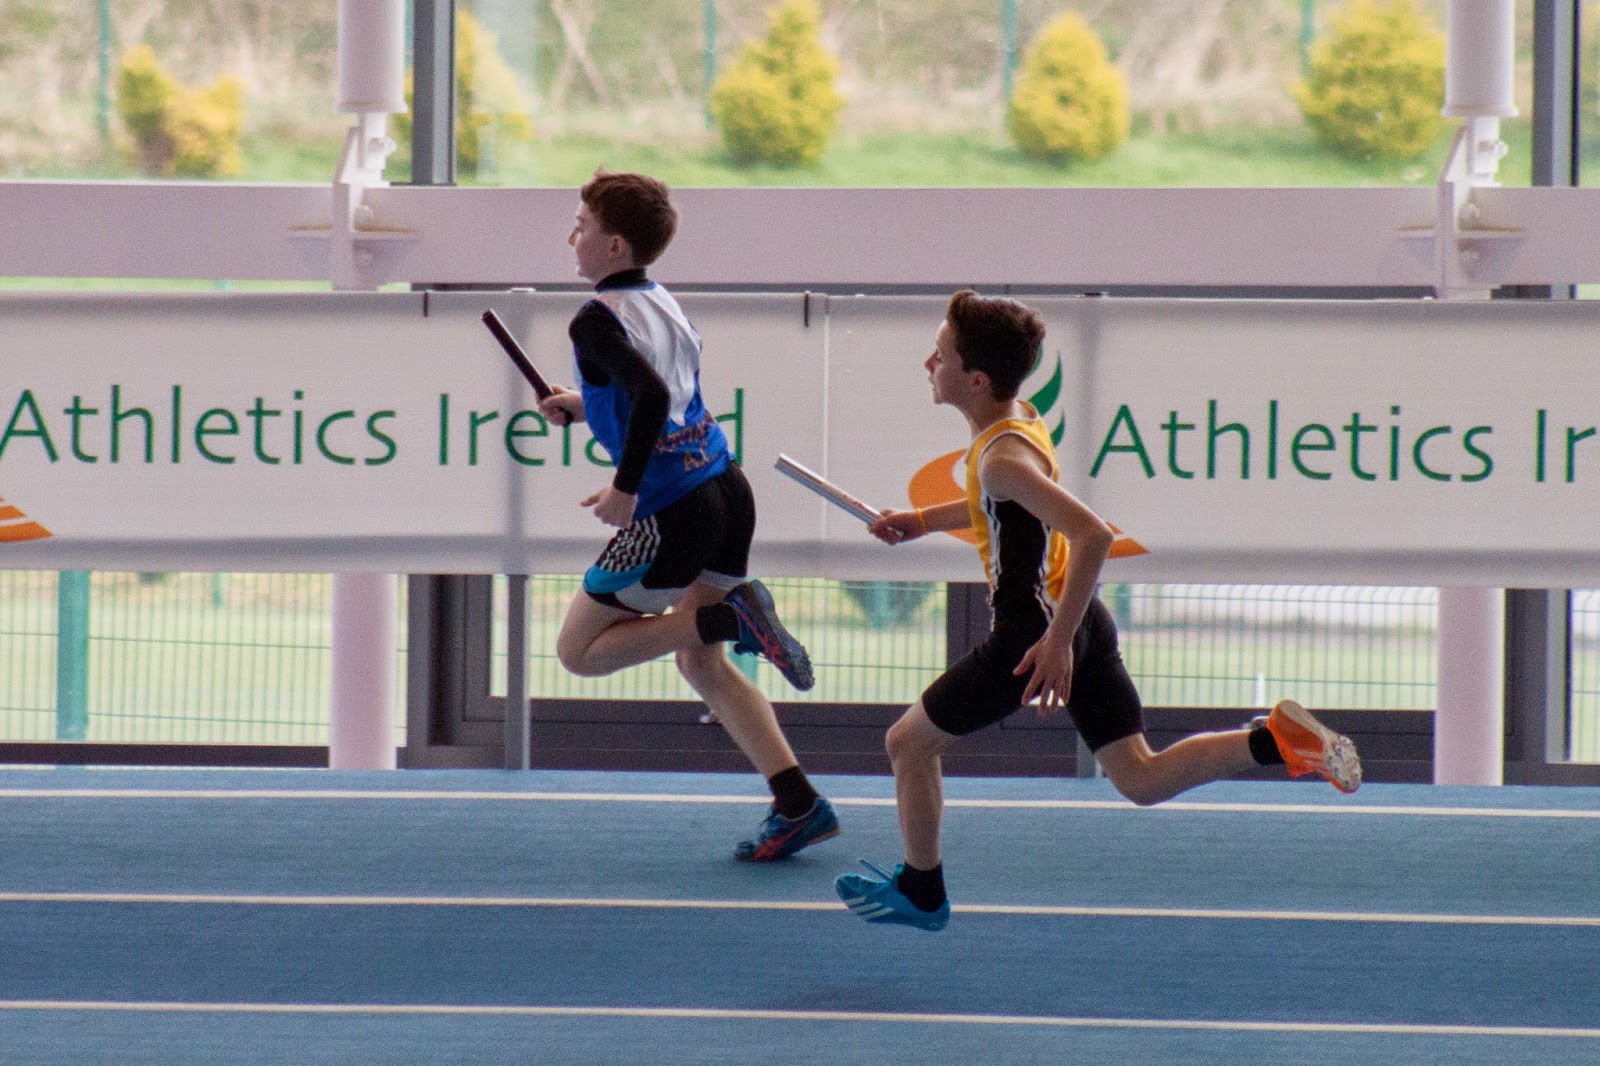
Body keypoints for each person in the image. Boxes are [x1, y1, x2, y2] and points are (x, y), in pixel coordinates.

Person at [835, 290, 1361, 931]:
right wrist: (922, 520)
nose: (927, 363)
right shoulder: (1016, 423)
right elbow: (995, 501)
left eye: (939, 355)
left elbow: (1093, 535)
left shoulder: (1000, 459)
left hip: (1029, 637)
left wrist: (1053, 643)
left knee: (907, 744)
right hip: (1081, 620)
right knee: (1140, 778)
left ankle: (922, 889)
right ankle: (1275, 742)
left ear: (974, 379)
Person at [535, 170, 838, 862]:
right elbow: (666, 392)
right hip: (726, 490)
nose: (571, 236)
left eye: (580, 225)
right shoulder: (660, 300)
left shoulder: (592, 319)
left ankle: (731, 618)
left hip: (673, 509)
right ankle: (798, 804)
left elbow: (645, 396)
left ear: (612, 246)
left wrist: (624, 486)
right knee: (701, 666)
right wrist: (584, 404)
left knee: (577, 653)